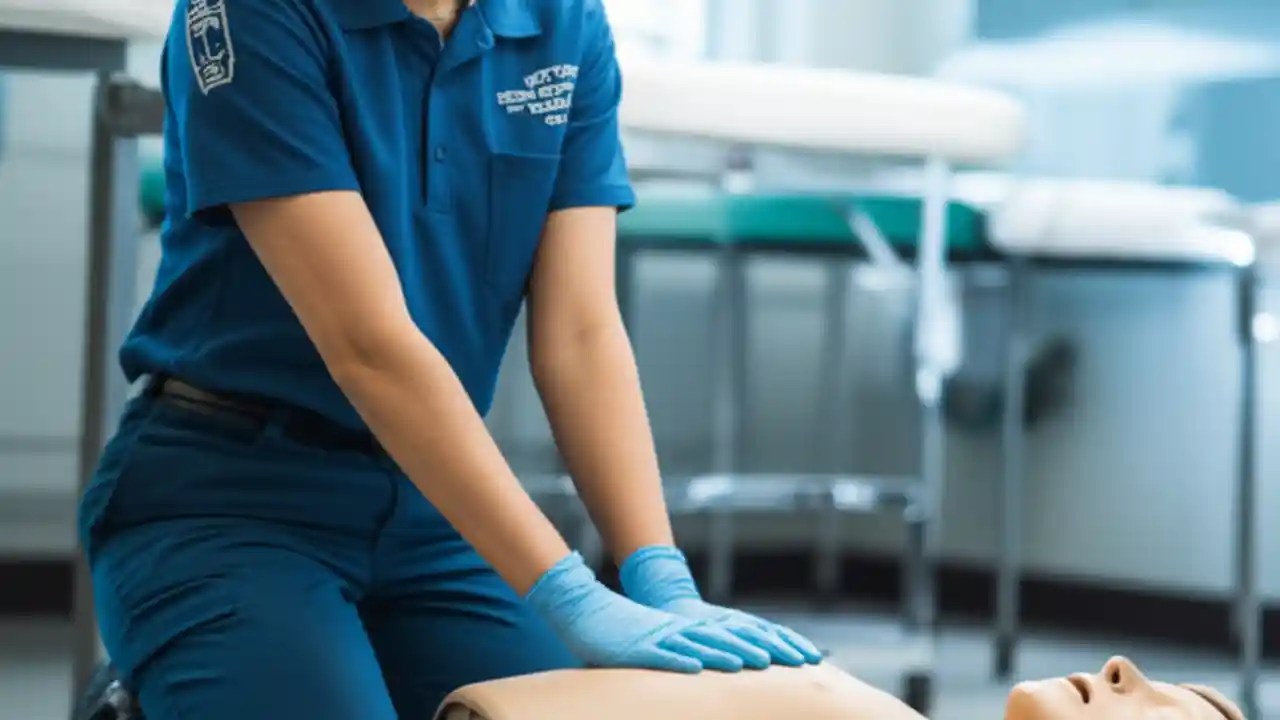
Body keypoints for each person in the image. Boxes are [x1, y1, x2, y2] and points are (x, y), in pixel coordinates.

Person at [76, 0, 822, 718]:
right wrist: (569, 593)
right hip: (226, 498)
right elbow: (368, 348)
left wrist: (658, 576)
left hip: (429, 505)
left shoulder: (563, 21)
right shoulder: (258, 8)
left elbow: (581, 335)